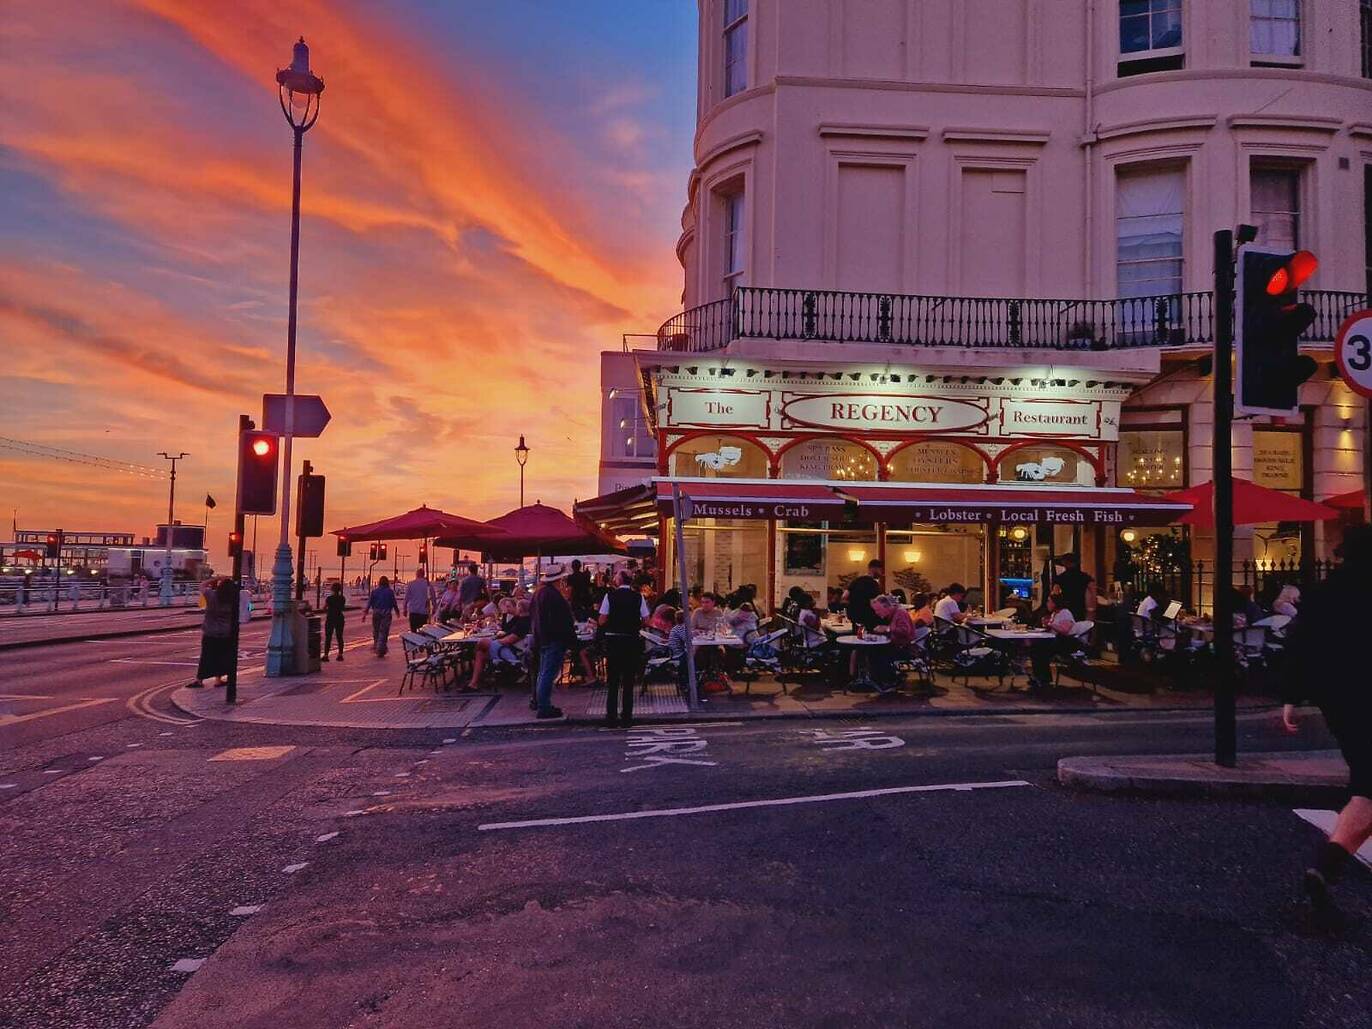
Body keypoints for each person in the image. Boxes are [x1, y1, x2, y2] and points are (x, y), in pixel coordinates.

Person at [1280, 524, 1372, 931]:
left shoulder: (1327, 591)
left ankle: (1326, 868)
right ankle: (1325, 864)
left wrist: (1293, 696)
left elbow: (1300, 641)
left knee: (1366, 782)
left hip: (1340, 700)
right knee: (1367, 789)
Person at [599, 570, 649, 727]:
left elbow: (602, 620)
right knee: (628, 681)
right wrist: (634, 624)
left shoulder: (609, 596)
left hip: (613, 641)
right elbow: (646, 620)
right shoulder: (638, 597)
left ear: (619, 580)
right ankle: (627, 717)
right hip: (631, 641)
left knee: (613, 681)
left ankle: (611, 717)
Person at [529, 566, 575, 718]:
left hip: (542, 638)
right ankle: (544, 706)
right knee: (548, 673)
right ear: (558, 579)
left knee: (543, 672)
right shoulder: (553, 596)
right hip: (553, 638)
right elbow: (563, 620)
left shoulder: (539, 594)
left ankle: (539, 701)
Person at [465, 598, 531, 691]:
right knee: (480, 653)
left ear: (520, 608)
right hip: (510, 648)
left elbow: (508, 640)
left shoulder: (524, 622)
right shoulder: (522, 620)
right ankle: (473, 683)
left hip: (515, 652)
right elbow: (508, 632)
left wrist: (494, 641)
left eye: (517, 606)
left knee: (482, 643)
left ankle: (471, 657)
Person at [189, 577, 235, 688]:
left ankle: (199, 680)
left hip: (210, 631)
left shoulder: (212, 595)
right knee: (221, 656)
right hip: (225, 632)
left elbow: (202, 585)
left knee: (206, 656)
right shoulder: (232, 600)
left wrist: (216, 578)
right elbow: (246, 609)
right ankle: (218, 680)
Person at [1028, 594, 1077, 688]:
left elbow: (1065, 630)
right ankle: (1041, 677)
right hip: (1054, 640)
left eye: (1049, 601)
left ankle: (1043, 678)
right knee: (1035, 647)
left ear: (1055, 603)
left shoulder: (1065, 613)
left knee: (1039, 650)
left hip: (1064, 642)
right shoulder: (1055, 613)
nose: (1047, 604)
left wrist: (1050, 624)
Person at [870, 594, 915, 690]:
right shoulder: (894, 613)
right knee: (873, 651)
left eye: (877, 610)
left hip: (905, 648)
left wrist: (887, 629)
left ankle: (889, 681)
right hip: (898, 645)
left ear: (886, 606)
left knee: (876, 653)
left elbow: (904, 631)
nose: (876, 613)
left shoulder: (900, 613)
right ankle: (882, 680)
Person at [363, 576, 400, 657]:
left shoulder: (374, 591)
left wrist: (365, 613)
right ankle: (381, 648)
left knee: (376, 631)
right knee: (384, 631)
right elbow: (394, 602)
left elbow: (369, 603)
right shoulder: (390, 592)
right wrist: (397, 611)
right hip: (386, 613)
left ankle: (377, 646)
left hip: (376, 612)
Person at [845, 560, 883, 632]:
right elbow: (874, 602)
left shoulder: (856, 581)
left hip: (855, 617)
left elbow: (844, 596)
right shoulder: (873, 584)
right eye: (880, 570)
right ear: (874, 569)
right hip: (868, 618)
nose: (881, 573)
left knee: (856, 639)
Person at [1053, 554, 1094, 622]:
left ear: (1064, 563)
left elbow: (1056, 594)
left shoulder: (1060, 578)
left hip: (1066, 607)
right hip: (1081, 606)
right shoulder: (1085, 577)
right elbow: (1091, 594)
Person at [323, 581, 346, 661]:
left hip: (330, 618)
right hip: (339, 618)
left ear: (332, 589)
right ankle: (340, 654)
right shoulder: (342, 598)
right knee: (339, 636)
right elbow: (343, 608)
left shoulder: (329, 598)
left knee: (328, 637)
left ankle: (326, 655)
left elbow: (324, 608)